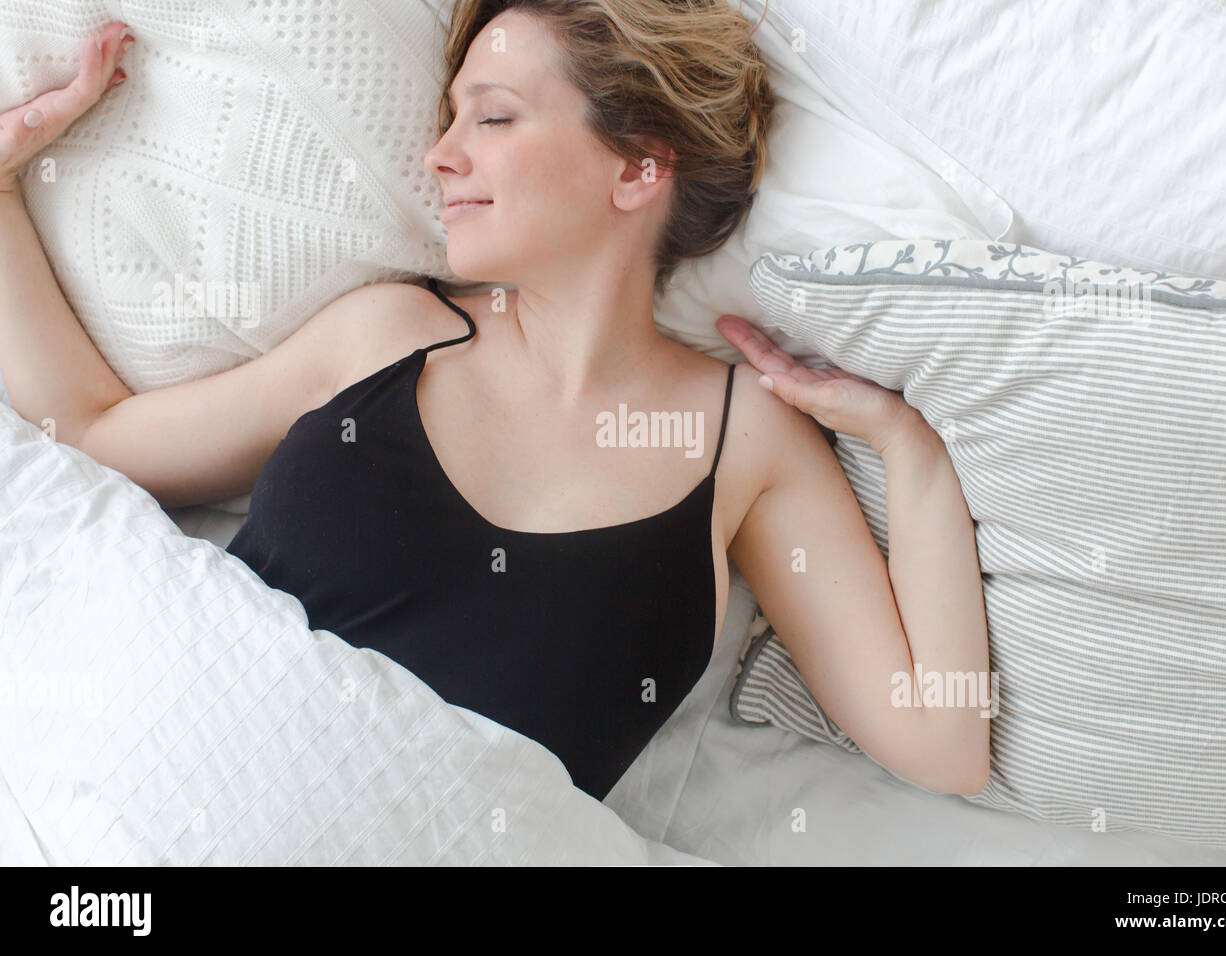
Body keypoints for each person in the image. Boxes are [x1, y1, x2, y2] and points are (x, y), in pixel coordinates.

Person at [0, 3, 990, 803]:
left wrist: (911, 447)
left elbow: (942, 740)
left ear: (639, 165)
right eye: (451, 117)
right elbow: (90, 436)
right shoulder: (384, 339)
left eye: (495, 116)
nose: (441, 156)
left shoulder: (744, 444)